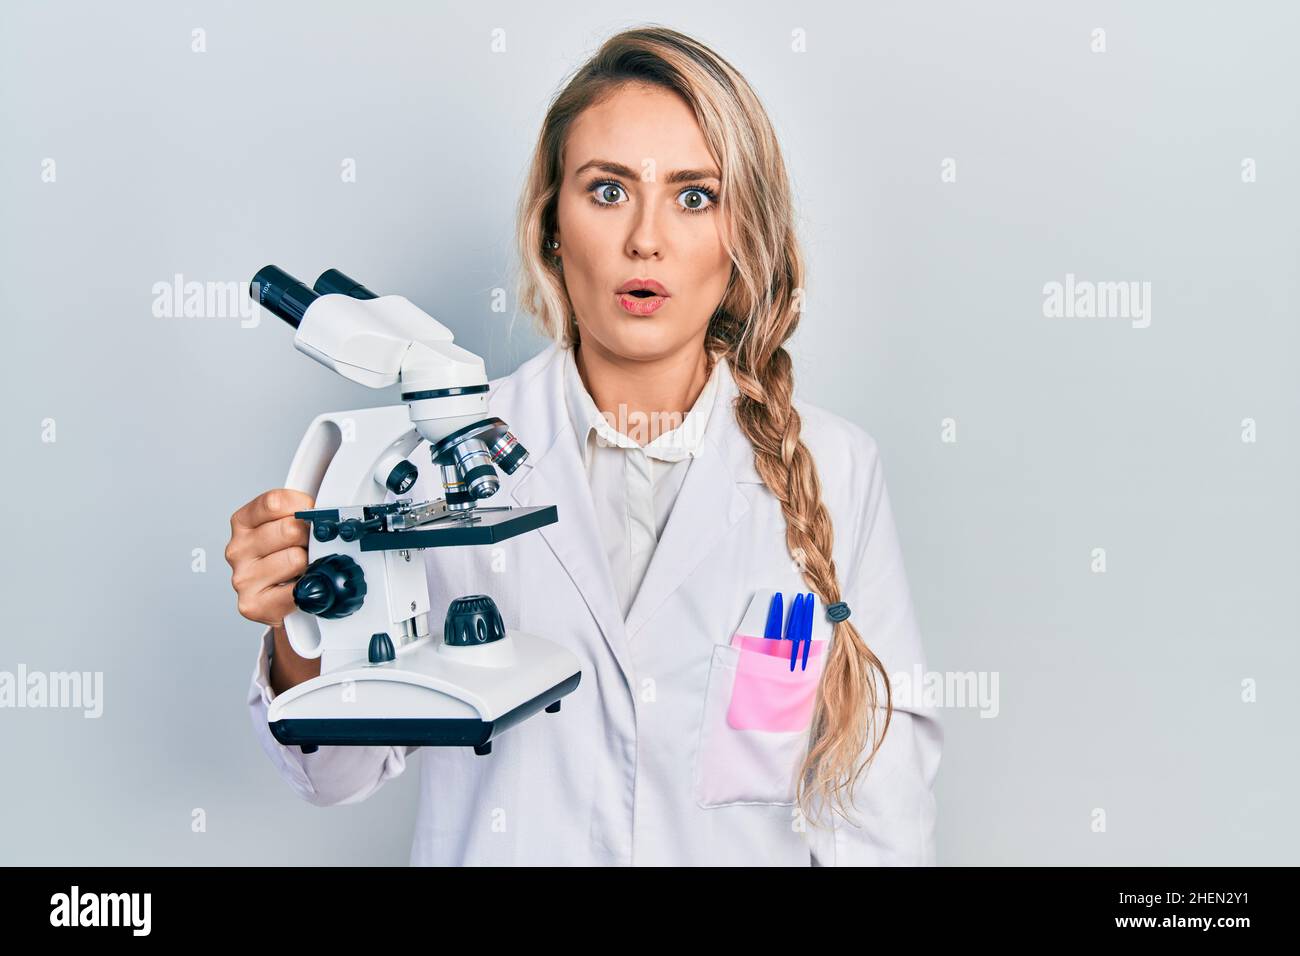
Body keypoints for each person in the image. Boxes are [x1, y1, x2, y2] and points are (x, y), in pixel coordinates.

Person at [225, 25, 941, 866]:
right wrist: (302, 623)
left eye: (694, 196)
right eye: (608, 191)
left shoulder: (836, 468)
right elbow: (333, 775)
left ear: (743, 236)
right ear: (551, 228)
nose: (646, 239)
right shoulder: (432, 467)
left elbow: (879, 807)